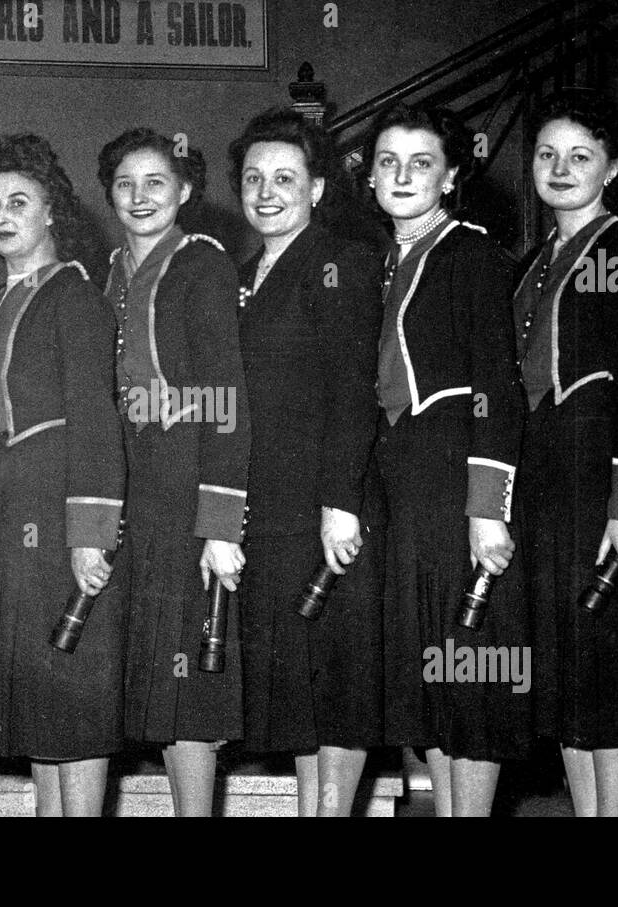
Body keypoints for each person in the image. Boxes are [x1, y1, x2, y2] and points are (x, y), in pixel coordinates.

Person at [363, 104, 530, 816]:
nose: (402, 176)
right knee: (431, 677)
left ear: (453, 175)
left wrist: (487, 511)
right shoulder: (373, 261)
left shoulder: (473, 254)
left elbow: (499, 386)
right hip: (400, 484)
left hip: (455, 475)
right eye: (388, 162)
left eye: (421, 162)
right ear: (369, 175)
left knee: (471, 670)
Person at [226, 107, 385, 816]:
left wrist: (339, 504)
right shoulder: (241, 273)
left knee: (333, 690)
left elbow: (354, 390)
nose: (266, 190)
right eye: (253, 177)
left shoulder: (339, 262)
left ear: (318, 188)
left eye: (285, 177)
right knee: (300, 689)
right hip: (270, 511)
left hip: (321, 512)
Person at [514, 90, 618, 816]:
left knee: (608, 675)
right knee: (568, 679)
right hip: (545, 488)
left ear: (611, 167)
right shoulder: (532, 263)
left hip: (601, 489)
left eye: (580, 155)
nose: (561, 167)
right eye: (547, 154)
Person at [0, 134, 127, 816]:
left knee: (75, 693)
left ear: (51, 213)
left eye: (20, 201)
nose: (3, 215)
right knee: (41, 701)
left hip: (61, 506)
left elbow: (96, 420)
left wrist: (89, 532)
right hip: (10, 514)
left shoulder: (73, 294)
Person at [97, 127, 251, 816]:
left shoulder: (203, 262)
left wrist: (220, 524)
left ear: (186, 191)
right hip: (129, 480)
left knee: (189, 675)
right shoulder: (107, 271)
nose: (139, 197)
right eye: (125, 184)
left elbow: (228, 399)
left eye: (155, 182)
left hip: (186, 476)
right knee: (155, 668)